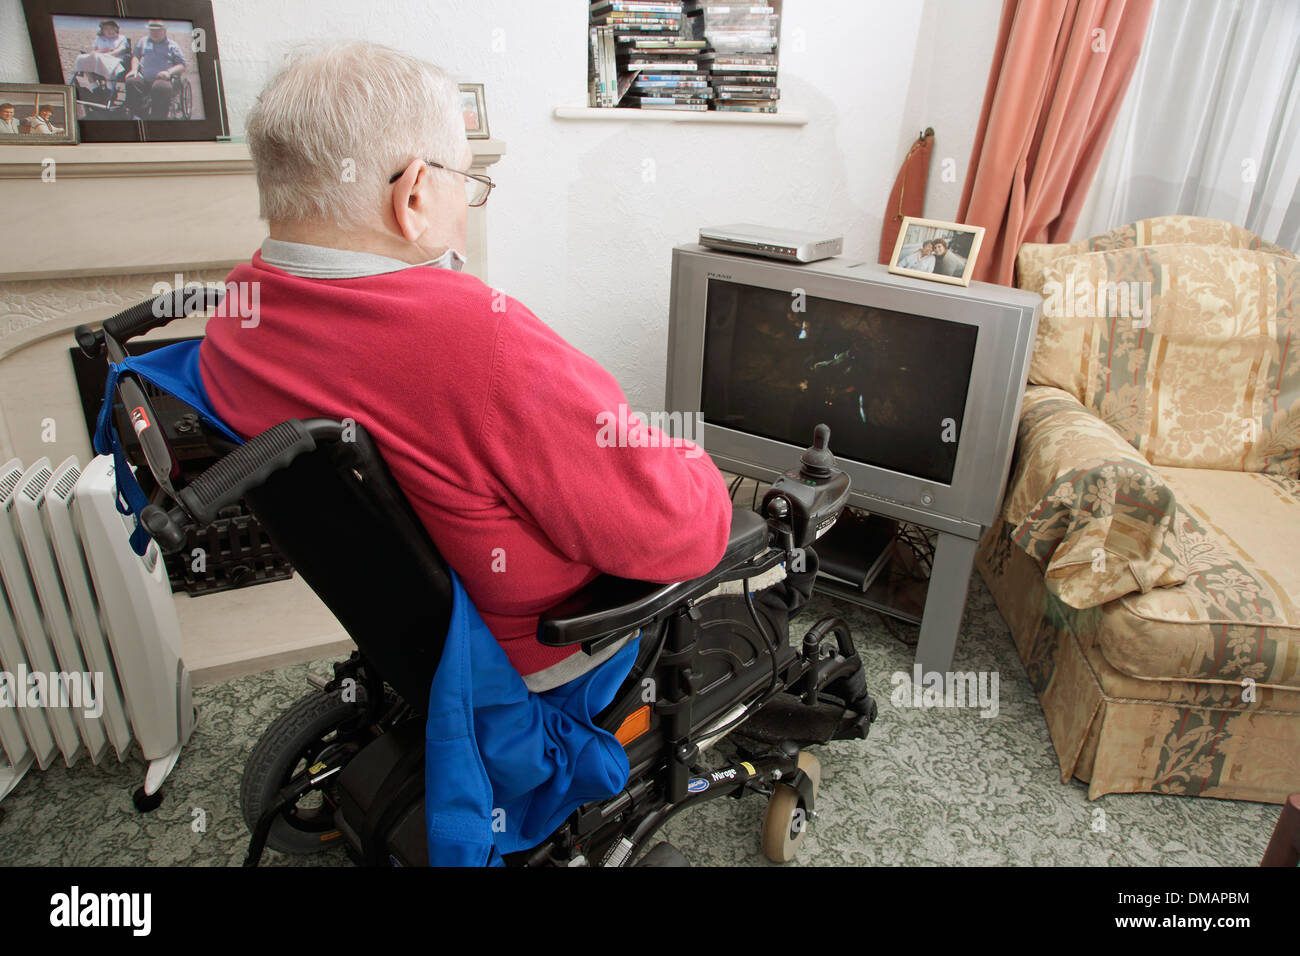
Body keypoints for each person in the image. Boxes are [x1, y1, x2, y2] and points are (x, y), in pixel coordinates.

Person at [199, 42, 733, 693]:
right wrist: (694, 463)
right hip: (531, 649)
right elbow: (680, 530)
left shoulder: (237, 314)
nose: (467, 203)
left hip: (407, 629)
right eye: (468, 183)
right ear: (416, 196)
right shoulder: (480, 341)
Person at [125, 20, 185, 120]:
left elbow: (182, 65)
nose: (154, 33)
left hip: (163, 79)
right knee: (131, 81)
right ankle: (139, 115)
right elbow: (136, 56)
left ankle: (157, 118)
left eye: (158, 30)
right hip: (144, 78)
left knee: (160, 87)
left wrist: (168, 72)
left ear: (164, 31)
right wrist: (134, 69)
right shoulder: (143, 41)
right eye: (152, 30)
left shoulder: (172, 45)